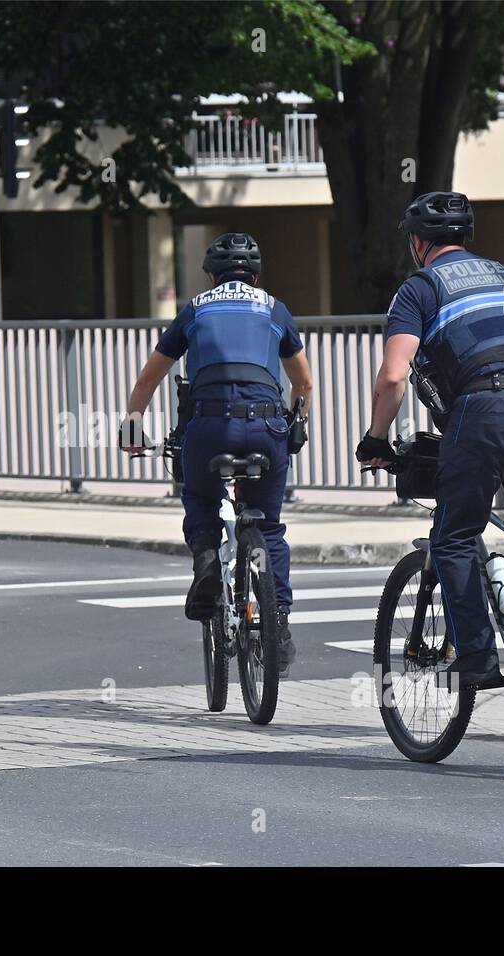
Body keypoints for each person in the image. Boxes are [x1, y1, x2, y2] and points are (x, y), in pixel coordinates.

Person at [357, 191, 504, 687]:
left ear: (418, 242)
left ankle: (478, 658)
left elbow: (394, 377)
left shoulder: (419, 288)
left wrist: (376, 440)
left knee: (455, 534)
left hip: (485, 407)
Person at [120, 233, 313, 677]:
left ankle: (207, 557)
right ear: (256, 275)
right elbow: (304, 384)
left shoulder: (196, 308)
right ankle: (277, 624)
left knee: (201, 499)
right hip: (266, 427)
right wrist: (298, 426)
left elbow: (149, 379)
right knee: (270, 526)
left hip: (208, 427)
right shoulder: (274, 307)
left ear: (210, 276)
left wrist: (132, 427)